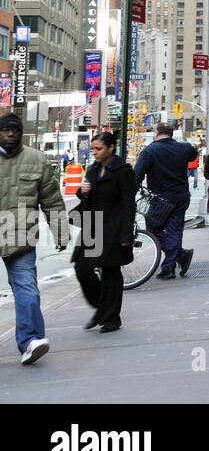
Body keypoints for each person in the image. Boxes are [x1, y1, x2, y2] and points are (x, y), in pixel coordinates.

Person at [0, 112, 68, 364]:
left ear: (21, 133)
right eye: (5, 130)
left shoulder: (37, 160)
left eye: (15, 130)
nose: (10, 134)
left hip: (21, 237)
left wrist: (60, 231)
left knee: (27, 288)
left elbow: (52, 200)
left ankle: (30, 342)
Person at [71, 131, 136, 334]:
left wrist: (126, 234)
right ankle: (102, 308)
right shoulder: (92, 169)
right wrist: (83, 192)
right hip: (93, 225)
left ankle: (111, 318)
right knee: (82, 268)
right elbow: (85, 199)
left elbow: (128, 204)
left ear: (111, 148)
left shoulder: (123, 171)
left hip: (114, 227)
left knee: (110, 272)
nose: (95, 153)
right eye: (93, 149)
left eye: (99, 149)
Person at [134, 121, 197, 279]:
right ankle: (173, 262)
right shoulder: (183, 147)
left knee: (153, 229)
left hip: (161, 198)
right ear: (172, 133)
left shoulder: (149, 151)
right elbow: (193, 152)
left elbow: (136, 177)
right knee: (175, 230)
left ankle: (179, 258)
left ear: (157, 133)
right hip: (181, 195)